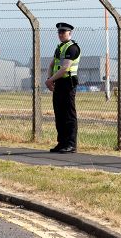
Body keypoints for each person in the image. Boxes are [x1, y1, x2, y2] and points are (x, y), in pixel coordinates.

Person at [45, 22, 81, 153]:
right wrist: (49, 80)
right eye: (59, 32)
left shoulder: (72, 48)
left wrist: (51, 80)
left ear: (70, 33)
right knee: (59, 114)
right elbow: (51, 65)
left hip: (68, 83)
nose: (60, 34)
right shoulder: (60, 47)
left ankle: (71, 144)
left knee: (68, 114)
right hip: (58, 82)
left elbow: (65, 68)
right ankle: (62, 143)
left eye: (63, 32)